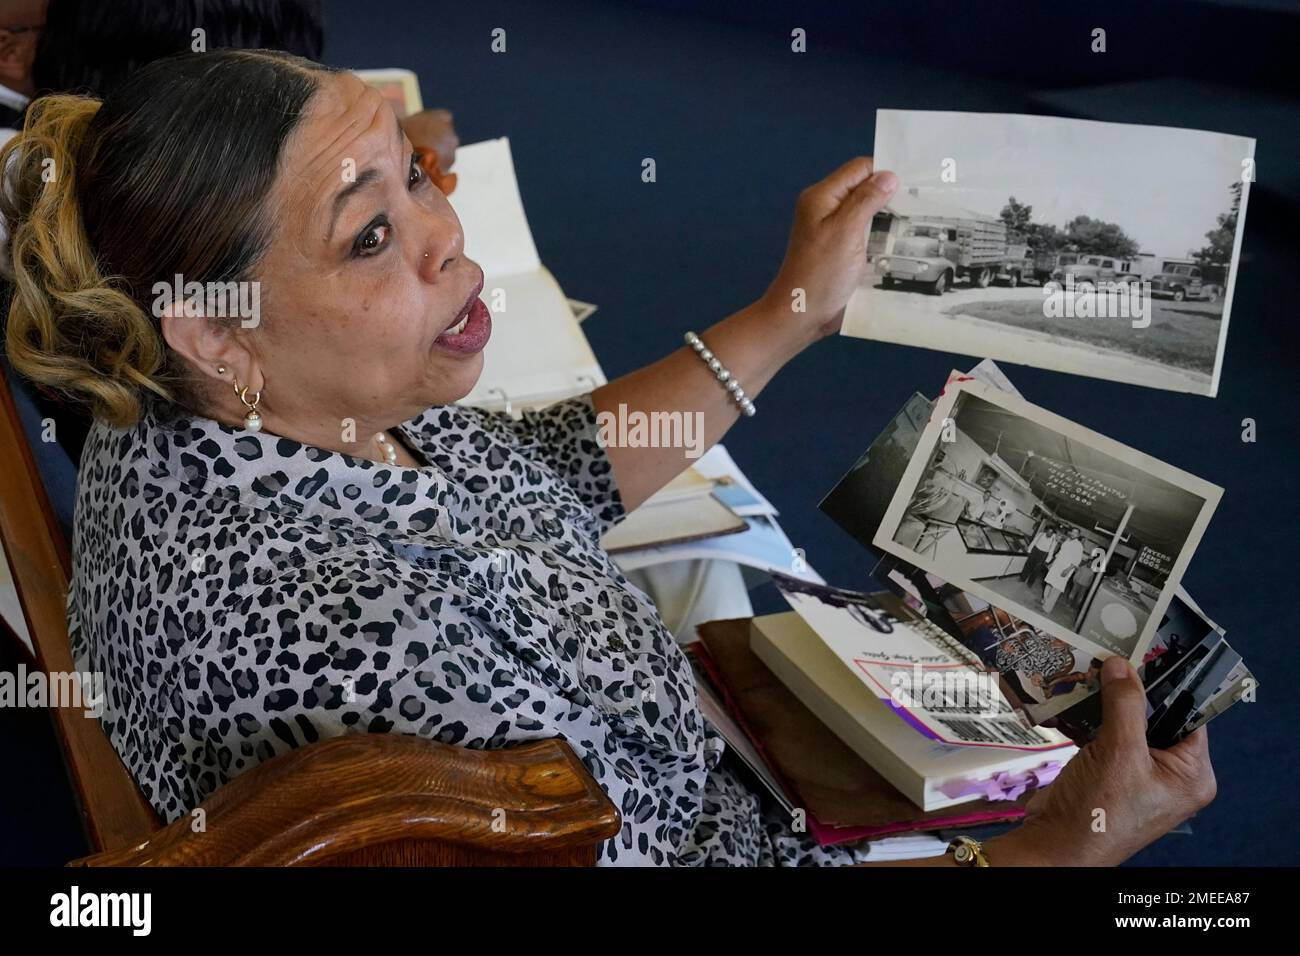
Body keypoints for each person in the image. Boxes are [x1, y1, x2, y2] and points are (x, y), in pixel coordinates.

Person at [0, 50, 1215, 866]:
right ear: (216, 330)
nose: (446, 235)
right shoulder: (403, 653)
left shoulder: (178, 402)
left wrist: (790, 310)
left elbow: (531, 471)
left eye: (418, 177)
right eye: (369, 232)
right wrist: (1056, 847)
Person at [1043, 528, 1085, 613]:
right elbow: (1059, 553)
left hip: (1064, 569)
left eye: (1075, 533)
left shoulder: (1079, 546)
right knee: (1049, 583)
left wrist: (1067, 570)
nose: (1073, 534)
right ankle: (1045, 601)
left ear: (1078, 535)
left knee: (1056, 588)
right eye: (1072, 532)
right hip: (1056, 566)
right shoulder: (1067, 541)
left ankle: (1047, 608)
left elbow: (1076, 561)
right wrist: (1052, 563)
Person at [1020, 522, 1059, 588]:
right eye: (1048, 531)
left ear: (1053, 534)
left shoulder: (1053, 540)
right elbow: (1034, 542)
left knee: (1036, 569)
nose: (1049, 534)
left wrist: (1048, 560)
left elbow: (1051, 550)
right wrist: (1029, 550)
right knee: (1028, 565)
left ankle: (1030, 582)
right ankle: (1022, 578)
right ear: (1046, 531)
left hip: (1043, 554)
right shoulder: (1040, 534)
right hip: (1035, 550)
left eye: (1051, 533)